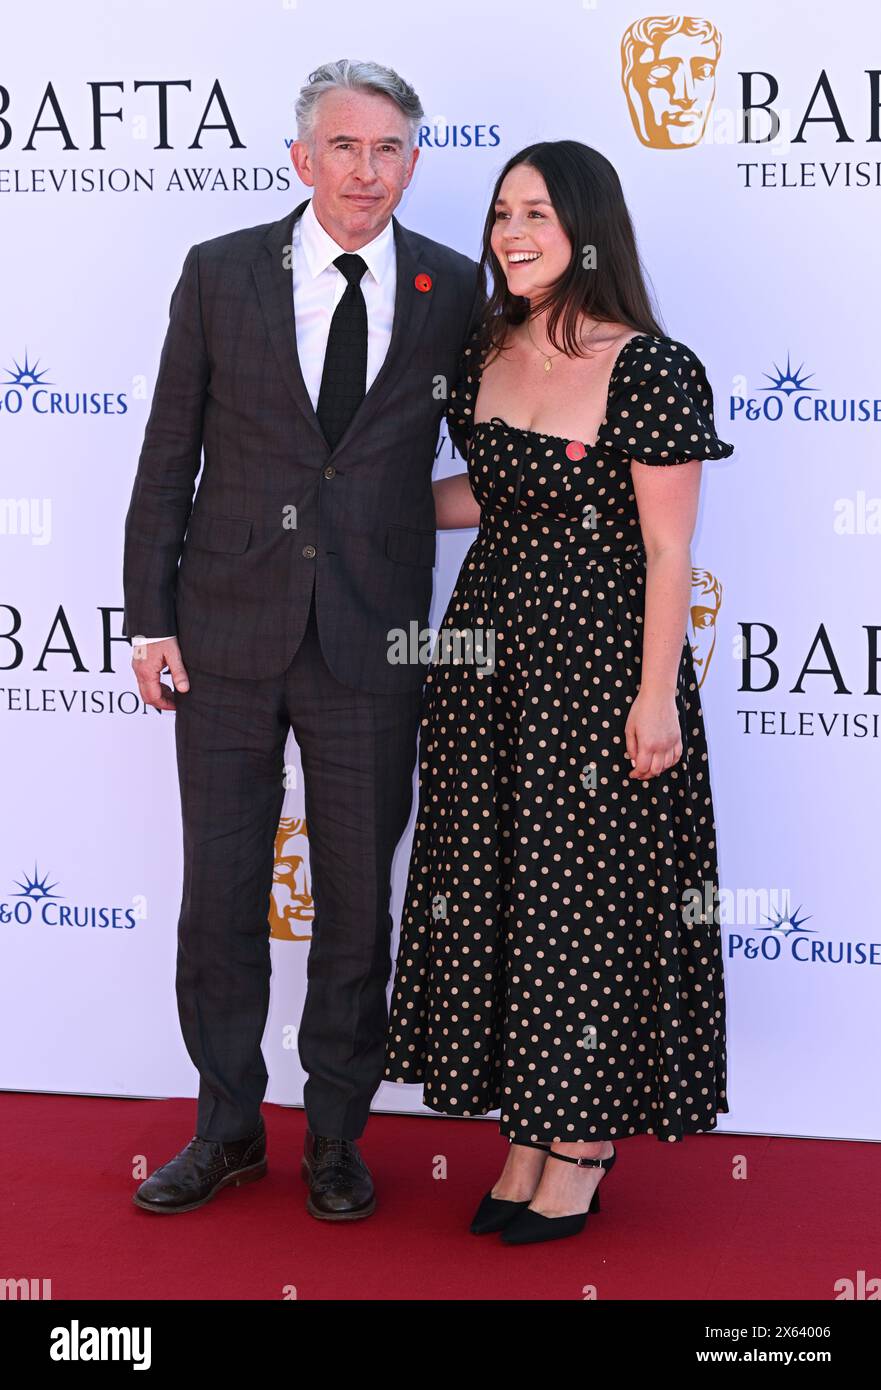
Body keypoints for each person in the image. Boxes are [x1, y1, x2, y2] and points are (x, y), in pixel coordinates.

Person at [122, 59, 483, 1220]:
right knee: (218, 889)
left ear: (412, 164)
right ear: (300, 158)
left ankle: (336, 1132)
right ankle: (226, 1127)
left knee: (357, 901)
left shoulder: (453, 285)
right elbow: (167, 453)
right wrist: (148, 617)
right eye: (343, 147)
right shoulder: (222, 272)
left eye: (387, 151)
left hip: (374, 640)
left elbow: (495, 442)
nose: (364, 171)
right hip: (223, 631)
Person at [383, 140, 733, 1245]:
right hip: (487, 664)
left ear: (584, 226)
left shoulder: (650, 366)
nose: (511, 231)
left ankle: (580, 1145)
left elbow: (669, 552)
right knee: (507, 890)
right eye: (498, 213)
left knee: (588, 898)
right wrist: (337, 498)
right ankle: (529, 1129)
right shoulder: (486, 342)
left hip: (598, 670)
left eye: (534, 210)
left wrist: (656, 697)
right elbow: (480, 497)